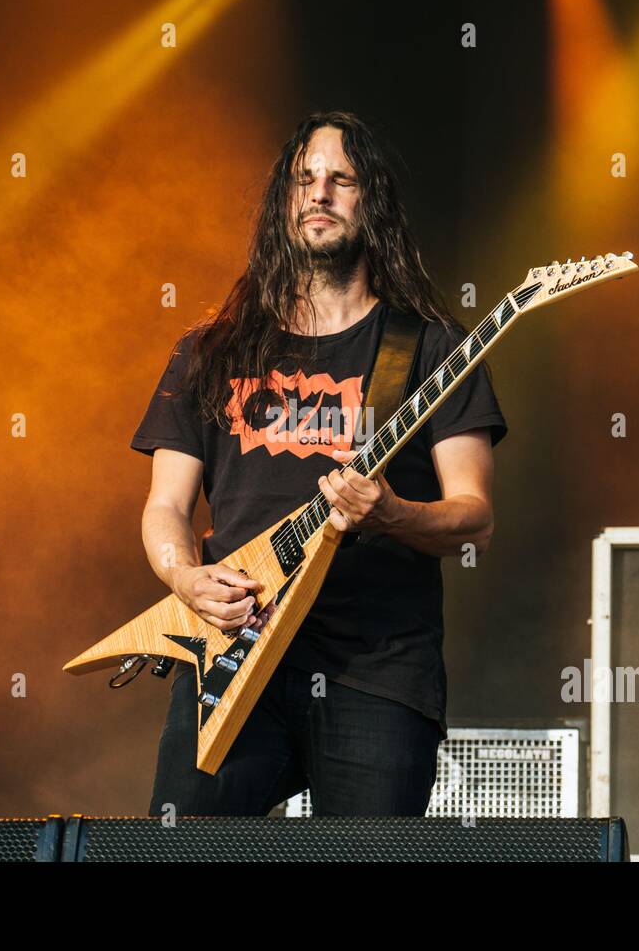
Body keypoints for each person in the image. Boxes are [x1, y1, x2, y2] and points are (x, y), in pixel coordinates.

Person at [130, 111, 507, 817]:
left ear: (373, 201)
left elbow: (475, 519)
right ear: (284, 200)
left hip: (376, 670)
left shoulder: (433, 349)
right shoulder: (211, 350)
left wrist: (392, 514)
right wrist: (184, 577)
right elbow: (166, 507)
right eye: (304, 179)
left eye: (342, 179)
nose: (320, 193)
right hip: (232, 653)